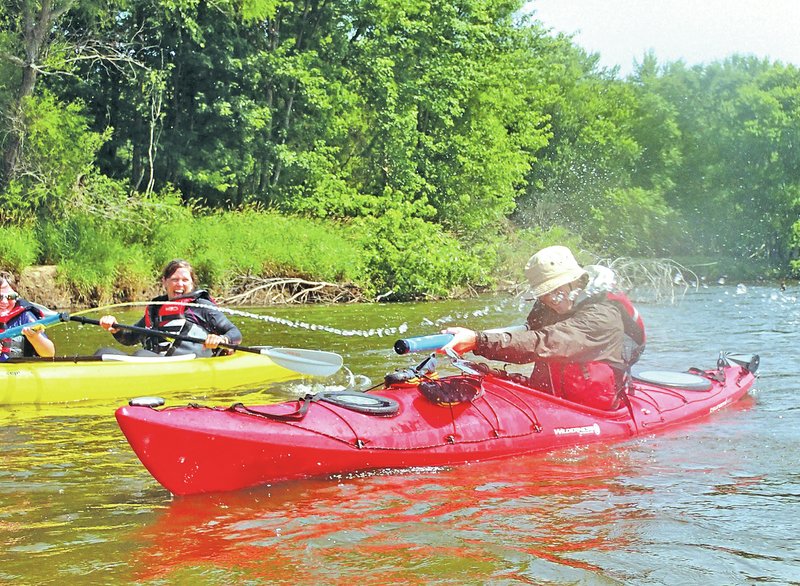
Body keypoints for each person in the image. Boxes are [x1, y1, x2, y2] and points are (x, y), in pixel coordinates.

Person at [441, 246, 645, 411]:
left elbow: (544, 342)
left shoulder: (603, 316)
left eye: (557, 290)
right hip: (552, 399)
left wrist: (478, 341)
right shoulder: (546, 306)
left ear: (576, 281)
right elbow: (526, 341)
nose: (551, 299)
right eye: (545, 293)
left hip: (596, 409)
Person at [97, 259, 242, 358]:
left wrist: (222, 339)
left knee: (141, 354)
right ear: (164, 282)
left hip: (188, 365)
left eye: (185, 280)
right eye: (174, 279)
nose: (179, 284)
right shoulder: (155, 309)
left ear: (192, 283)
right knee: (103, 352)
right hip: (153, 362)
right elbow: (130, 338)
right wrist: (115, 328)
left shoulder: (201, 306)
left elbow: (235, 333)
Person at [0, 271, 56, 360]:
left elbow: (49, 353)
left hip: (17, 368)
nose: (4, 302)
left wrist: (35, 337)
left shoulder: (26, 317)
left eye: (11, 297)